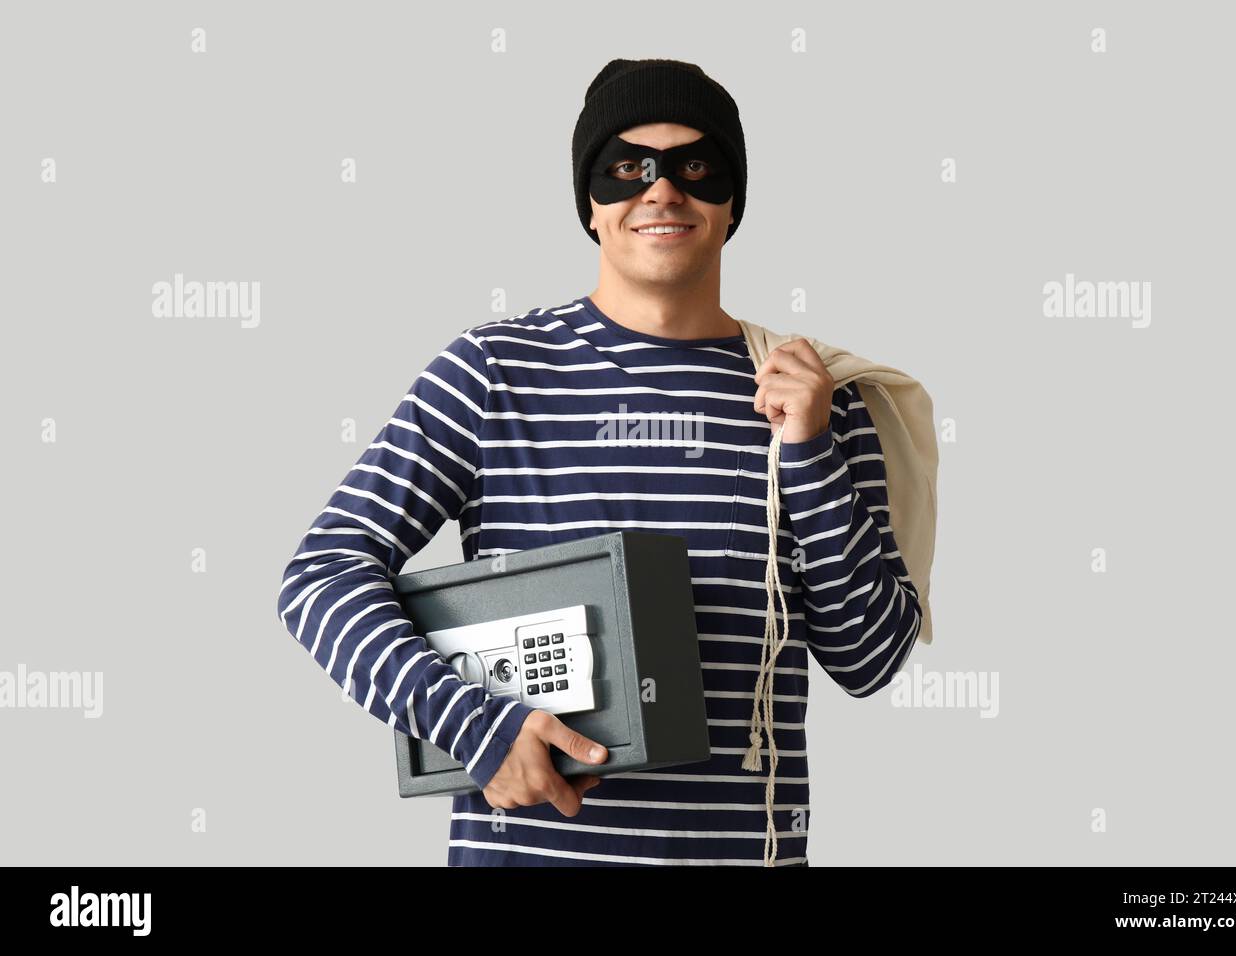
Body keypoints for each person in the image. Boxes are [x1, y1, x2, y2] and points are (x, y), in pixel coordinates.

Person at [275, 57, 923, 866]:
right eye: (627, 169)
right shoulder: (493, 373)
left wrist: (811, 453)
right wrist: (471, 725)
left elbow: (871, 659)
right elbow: (323, 573)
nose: (661, 192)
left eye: (695, 166)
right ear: (591, 202)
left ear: (732, 202)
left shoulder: (818, 396)